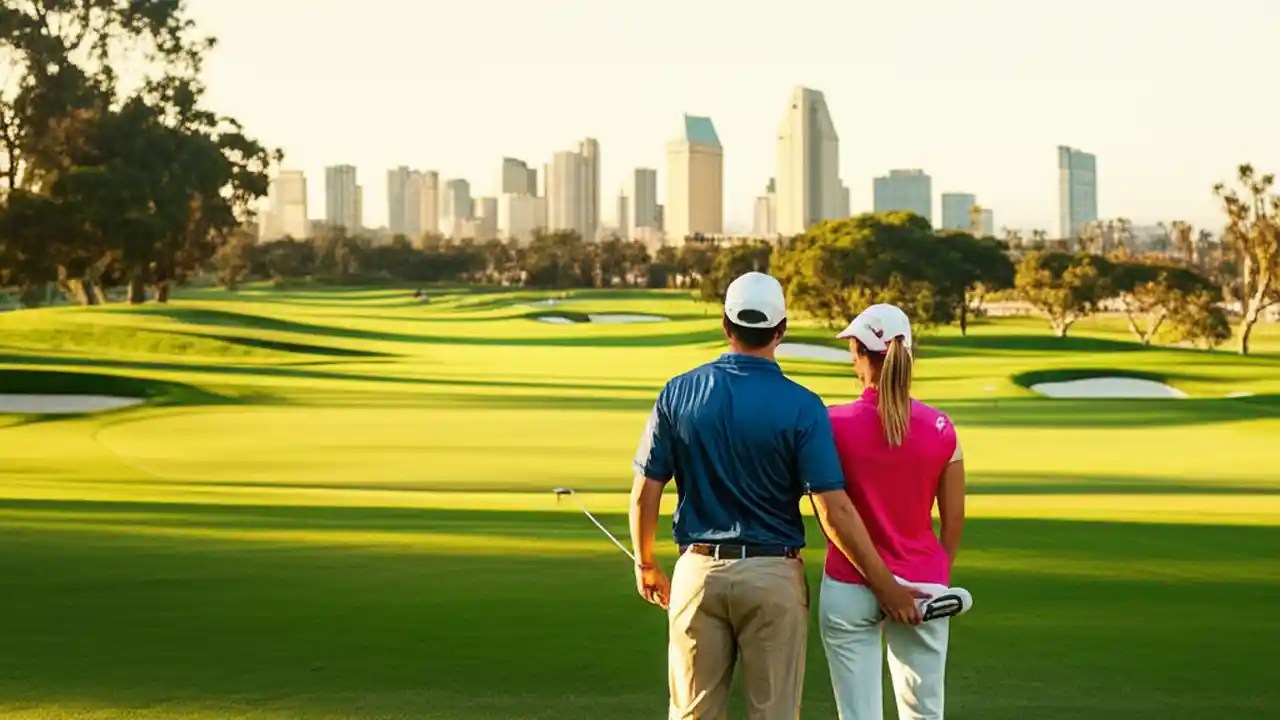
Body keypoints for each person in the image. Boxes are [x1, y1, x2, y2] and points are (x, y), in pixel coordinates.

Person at [629, 272, 925, 720]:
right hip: (773, 578)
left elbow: (644, 492)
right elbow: (834, 510)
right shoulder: (803, 405)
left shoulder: (678, 391)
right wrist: (887, 587)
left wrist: (646, 563)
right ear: (781, 330)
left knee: (691, 715)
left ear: (726, 326)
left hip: (698, 573)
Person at [819, 304, 970, 720]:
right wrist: (939, 573)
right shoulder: (942, 427)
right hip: (924, 584)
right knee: (924, 713)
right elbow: (953, 517)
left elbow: (828, 510)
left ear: (859, 351)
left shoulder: (832, 424)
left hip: (850, 584)